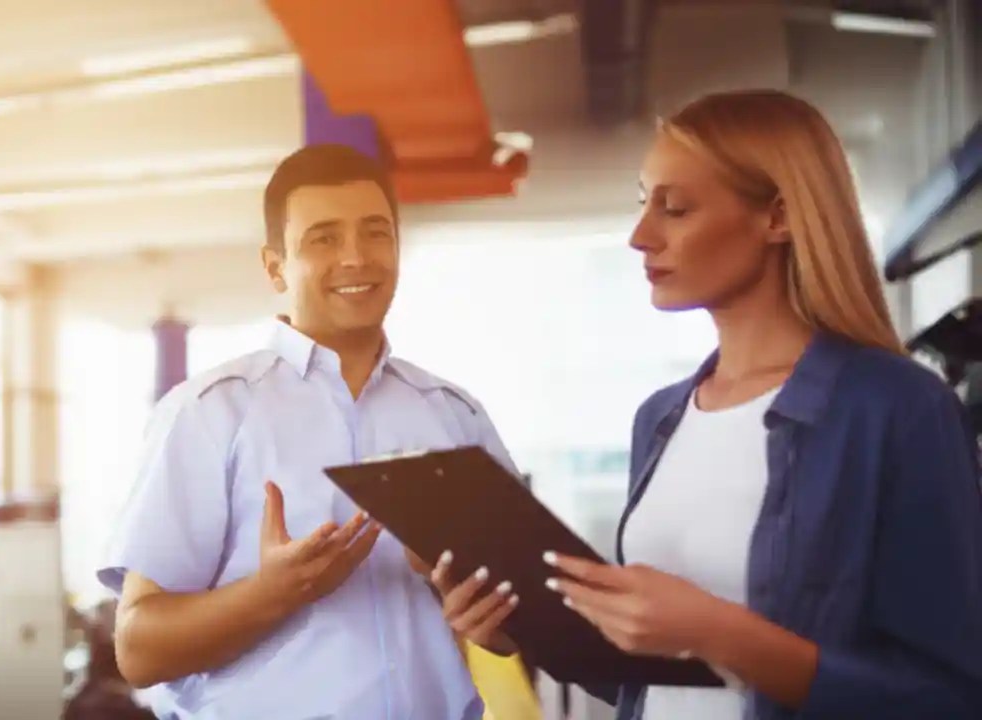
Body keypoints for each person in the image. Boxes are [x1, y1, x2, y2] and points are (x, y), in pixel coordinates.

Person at [438, 89, 982, 719]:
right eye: (644, 204)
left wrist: (720, 633)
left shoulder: (896, 407)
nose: (641, 237)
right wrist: (519, 632)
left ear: (777, 217)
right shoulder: (661, 418)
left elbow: (951, 696)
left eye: (675, 208)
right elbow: (651, 681)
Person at [97, 143, 521, 719]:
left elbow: (521, 626)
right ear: (275, 267)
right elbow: (139, 650)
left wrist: (473, 603)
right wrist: (273, 593)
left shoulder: (453, 414)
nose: (355, 258)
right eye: (323, 238)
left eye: (376, 232)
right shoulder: (211, 413)